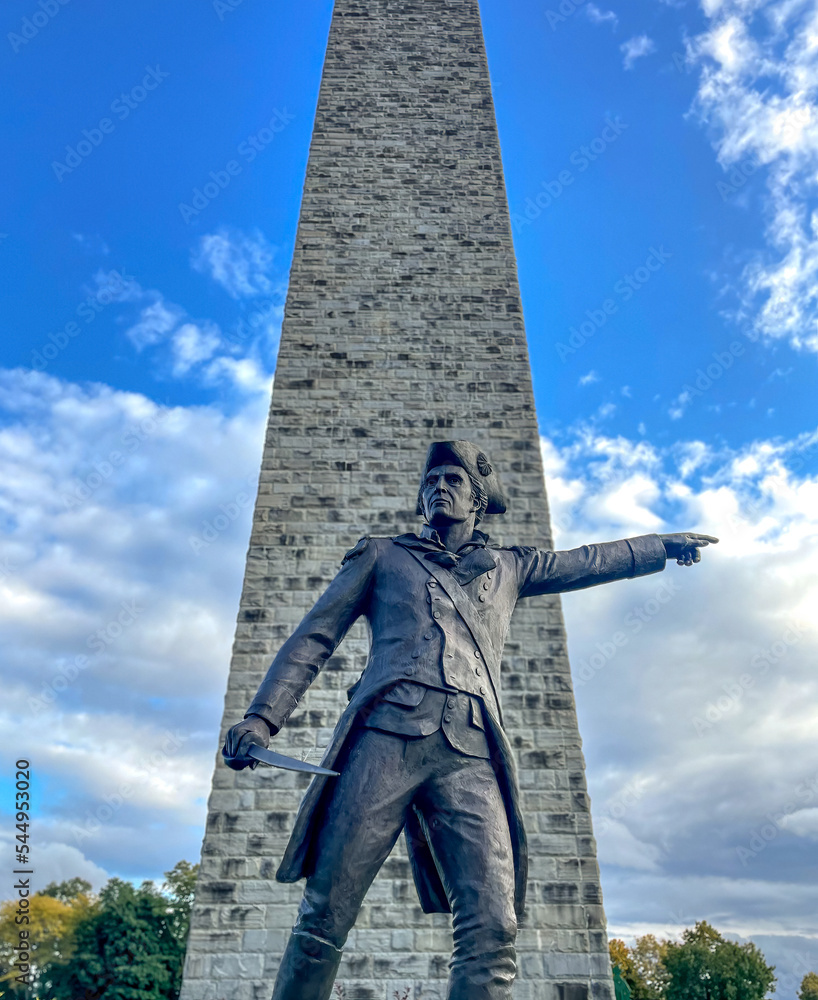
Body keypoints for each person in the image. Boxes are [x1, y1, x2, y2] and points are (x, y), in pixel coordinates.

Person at [223, 440, 718, 1000]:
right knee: (325, 914)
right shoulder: (382, 556)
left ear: (477, 499)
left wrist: (658, 547)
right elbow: (316, 635)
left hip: (470, 752)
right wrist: (263, 718)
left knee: (494, 925)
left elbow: (586, 562)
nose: (439, 486)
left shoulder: (511, 566)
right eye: (431, 480)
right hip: (385, 740)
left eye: (453, 480)